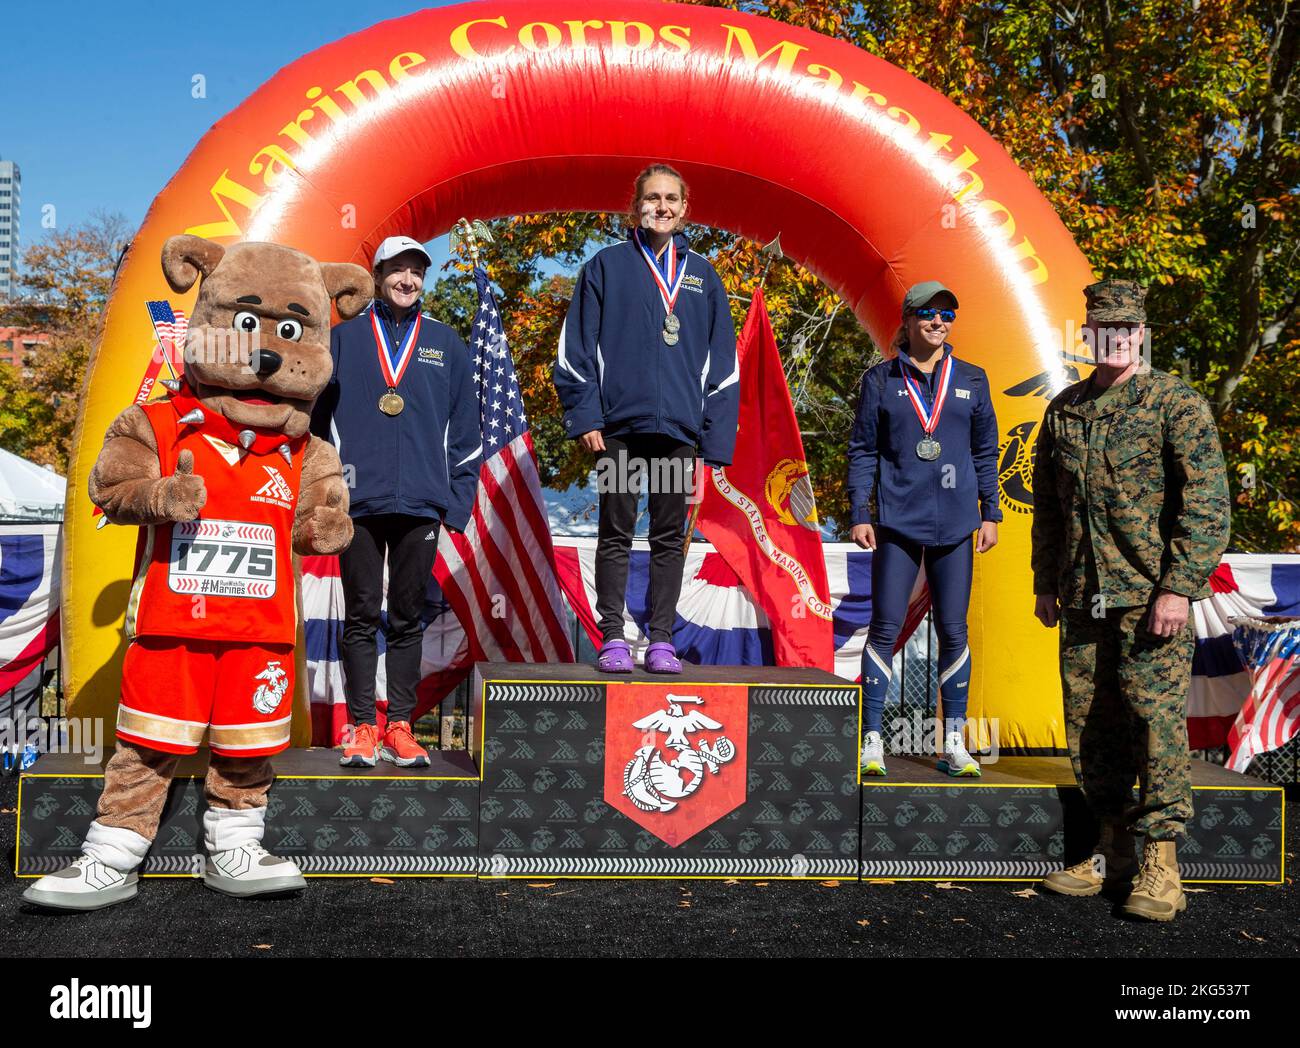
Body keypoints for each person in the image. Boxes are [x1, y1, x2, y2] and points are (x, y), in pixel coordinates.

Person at [1032, 279, 1230, 921]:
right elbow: (1049, 511)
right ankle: (1110, 851)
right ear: (1086, 337)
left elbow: (1207, 503)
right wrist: (1044, 582)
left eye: (1125, 329)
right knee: (1091, 723)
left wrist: (1178, 586)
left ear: (1141, 334)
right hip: (1083, 596)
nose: (1113, 340)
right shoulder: (1063, 411)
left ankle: (1162, 862)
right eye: (1101, 330)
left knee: (1155, 723)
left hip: (1150, 598)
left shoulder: (1175, 403)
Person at [554, 164, 739, 674]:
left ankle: (661, 639)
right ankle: (612, 636)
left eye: (671, 199)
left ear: (685, 208)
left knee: (667, 536)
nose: (661, 206)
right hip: (619, 431)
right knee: (614, 531)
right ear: (636, 206)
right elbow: (574, 351)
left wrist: (714, 445)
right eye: (652, 198)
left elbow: (723, 367)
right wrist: (586, 413)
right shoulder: (606, 267)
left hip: (678, 435)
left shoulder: (703, 275)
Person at [311, 235, 482, 768]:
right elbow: (316, 425)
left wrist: (455, 503)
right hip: (357, 501)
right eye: (398, 270)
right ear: (378, 274)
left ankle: (401, 726)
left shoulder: (446, 343)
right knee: (362, 615)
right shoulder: (343, 340)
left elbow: (468, 431)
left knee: (408, 618)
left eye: (417, 272)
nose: (408, 280)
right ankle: (362, 726)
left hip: (422, 504)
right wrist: (323, 493)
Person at [847, 282, 1002, 778]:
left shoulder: (973, 380)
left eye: (948, 315)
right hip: (896, 523)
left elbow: (984, 452)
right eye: (929, 313)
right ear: (908, 320)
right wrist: (859, 511)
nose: (939, 322)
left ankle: (952, 742)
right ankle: (870, 740)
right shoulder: (881, 380)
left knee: (953, 630)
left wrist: (991, 512)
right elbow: (863, 450)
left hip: (956, 525)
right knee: (886, 627)